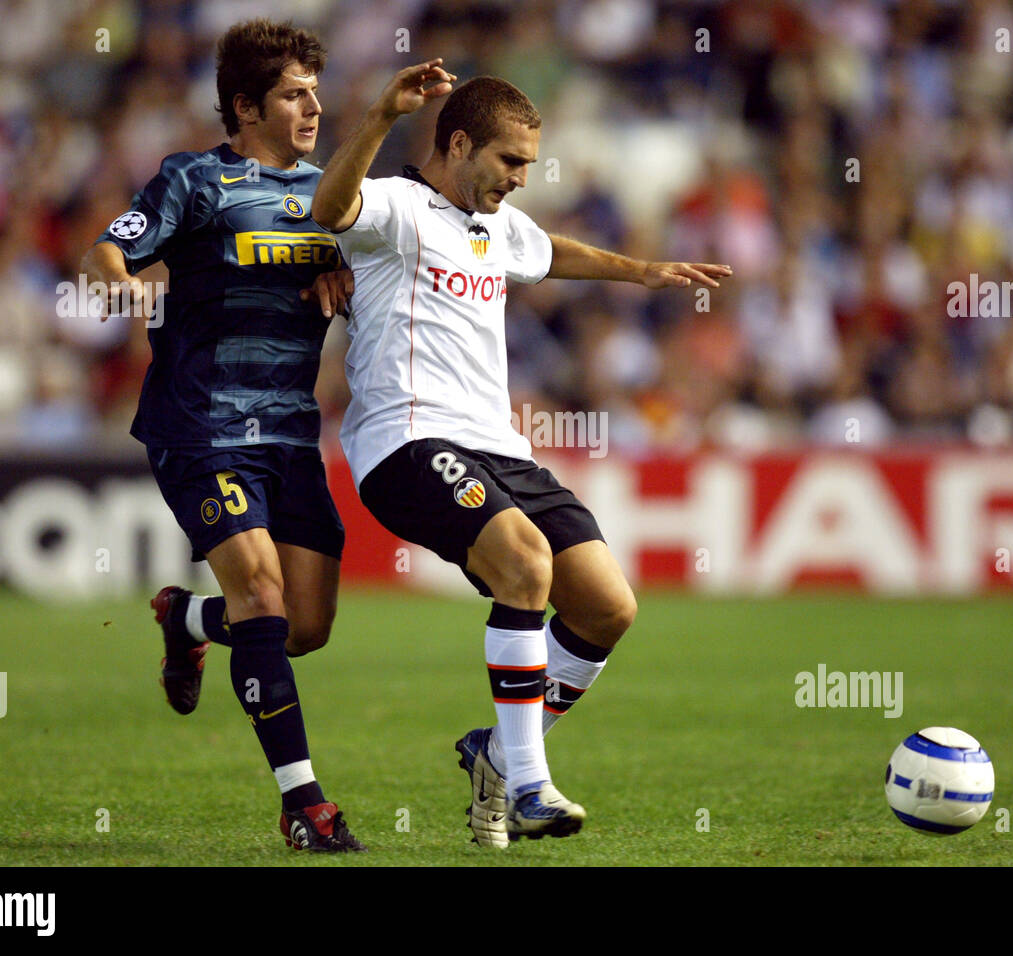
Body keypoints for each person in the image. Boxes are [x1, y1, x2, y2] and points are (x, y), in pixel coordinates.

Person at [310, 61, 731, 846]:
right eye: (511, 162)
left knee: (608, 606)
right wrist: (377, 116)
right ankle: (529, 784)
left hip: (498, 448)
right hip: (407, 441)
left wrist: (642, 272)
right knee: (526, 565)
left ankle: (494, 752)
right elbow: (329, 207)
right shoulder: (398, 209)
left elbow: (548, 251)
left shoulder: (494, 225)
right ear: (460, 142)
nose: (521, 180)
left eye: (529, 165)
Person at [80, 19, 363, 852]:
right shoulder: (195, 180)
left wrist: (338, 265)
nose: (314, 105)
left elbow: (366, 259)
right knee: (265, 598)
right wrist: (122, 287)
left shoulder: (332, 195)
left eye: (316, 88)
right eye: (292, 93)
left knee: (304, 626)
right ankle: (304, 804)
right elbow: (108, 251)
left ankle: (190, 622)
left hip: (289, 432)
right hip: (201, 424)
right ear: (246, 105)